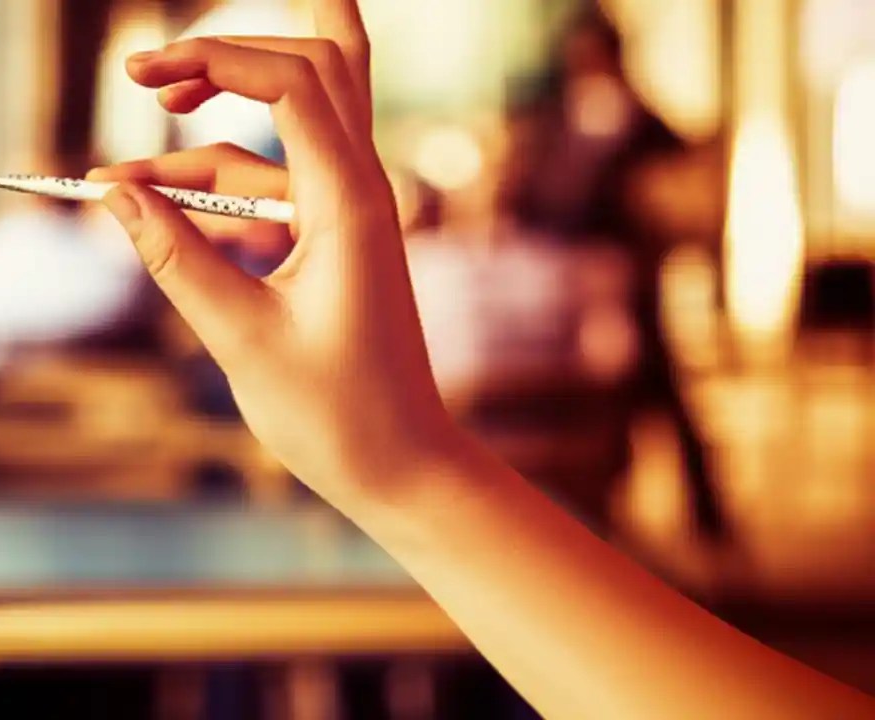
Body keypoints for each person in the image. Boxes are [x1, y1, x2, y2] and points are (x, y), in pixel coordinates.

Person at [83, 2, 875, 717]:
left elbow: (658, 179)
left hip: (604, 290)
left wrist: (403, 468)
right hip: (587, 315)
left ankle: (711, 534)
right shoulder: (571, 134)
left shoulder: (608, 136)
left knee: (670, 418)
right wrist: (404, 466)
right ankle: (709, 537)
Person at [499, 9, 725, 537]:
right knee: (611, 396)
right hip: (570, 279)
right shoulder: (558, 118)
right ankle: (607, 506)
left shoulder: (640, 120)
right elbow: (536, 191)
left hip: (625, 278)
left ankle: (699, 513)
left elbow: (674, 182)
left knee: (654, 388)